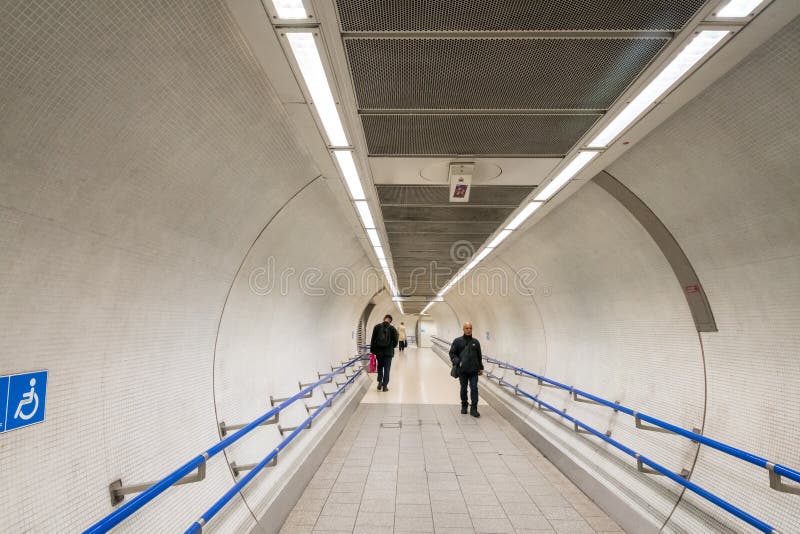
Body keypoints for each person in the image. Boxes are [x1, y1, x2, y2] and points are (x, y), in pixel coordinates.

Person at [449, 322, 483, 417]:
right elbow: (452, 353)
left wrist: (480, 368)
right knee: (463, 389)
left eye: (470, 328)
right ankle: (464, 404)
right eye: (467, 328)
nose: (468, 330)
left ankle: (474, 408)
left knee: (474, 388)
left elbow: (479, 356)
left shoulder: (475, 342)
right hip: (462, 371)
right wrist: (457, 361)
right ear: (463, 329)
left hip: (473, 371)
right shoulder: (457, 341)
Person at [370, 314, 398, 391]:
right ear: (390, 321)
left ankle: (379, 382)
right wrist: (391, 346)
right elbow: (395, 342)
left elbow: (373, 340)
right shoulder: (392, 329)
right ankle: (385, 386)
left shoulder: (377, 327)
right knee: (387, 369)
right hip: (388, 353)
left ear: (384, 319)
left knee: (379, 367)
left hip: (379, 352)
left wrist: (372, 350)